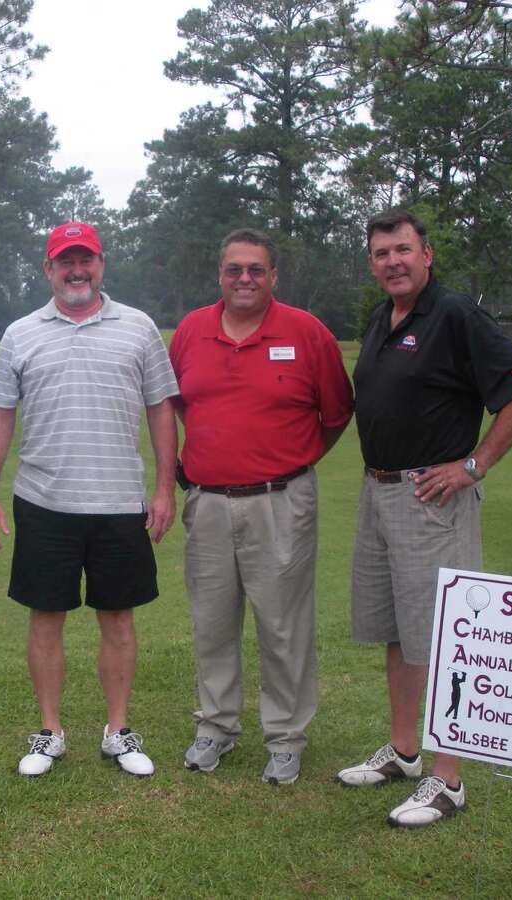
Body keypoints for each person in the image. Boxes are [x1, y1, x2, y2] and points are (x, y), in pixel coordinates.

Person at [338, 208, 512, 828]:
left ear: (426, 254)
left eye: (403, 250)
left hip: (432, 498)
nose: (393, 262)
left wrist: (473, 465)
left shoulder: (455, 315)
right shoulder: (383, 318)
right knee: (399, 632)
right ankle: (406, 752)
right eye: (381, 253)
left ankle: (449, 778)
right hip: (379, 494)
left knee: (444, 636)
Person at [0, 222, 178, 779]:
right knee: (47, 617)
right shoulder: (20, 334)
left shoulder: (138, 329)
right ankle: (50, 731)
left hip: (119, 502)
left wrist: (164, 488)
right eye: (64, 261)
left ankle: (118, 730)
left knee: (118, 617)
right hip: (44, 501)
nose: (76, 271)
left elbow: (161, 407)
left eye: (85, 259)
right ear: (47, 270)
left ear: (101, 264)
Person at [168, 228, 354, 785]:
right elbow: (181, 405)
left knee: (283, 625)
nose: (244, 278)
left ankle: (286, 736)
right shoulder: (192, 332)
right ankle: (216, 726)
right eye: (234, 269)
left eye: (256, 269)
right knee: (212, 623)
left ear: (273, 276)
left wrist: (290, 462)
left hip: (282, 502)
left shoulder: (306, 332)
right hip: (208, 503)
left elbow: (337, 413)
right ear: (219, 274)